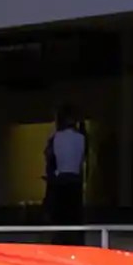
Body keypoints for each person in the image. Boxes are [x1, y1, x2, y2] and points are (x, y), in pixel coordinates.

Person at [44, 105, 86, 245]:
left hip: (61, 179)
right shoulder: (81, 137)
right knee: (75, 213)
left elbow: (49, 155)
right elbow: (82, 160)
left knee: (61, 214)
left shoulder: (56, 137)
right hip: (75, 179)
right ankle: (77, 241)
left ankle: (61, 240)